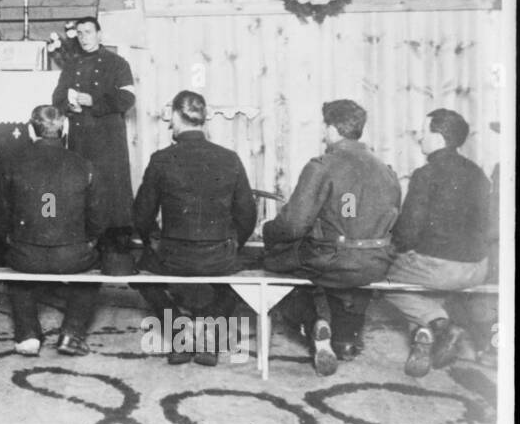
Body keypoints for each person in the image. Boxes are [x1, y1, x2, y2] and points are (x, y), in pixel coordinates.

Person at [263, 99, 400, 376]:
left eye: (325, 127)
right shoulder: (386, 170)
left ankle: (313, 322)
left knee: (273, 263)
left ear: (333, 129)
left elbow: (292, 226)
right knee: (348, 276)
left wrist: (268, 231)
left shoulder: (322, 166)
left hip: (332, 259)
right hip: (376, 262)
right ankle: (345, 339)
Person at [132, 91, 257, 367]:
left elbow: (141, 215)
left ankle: (178, 329)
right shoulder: (230, 158)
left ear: (176, 116)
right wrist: (233, 243)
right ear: (204, 119)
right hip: (219, 255)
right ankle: (210, 329)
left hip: (173, 255)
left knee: (137, 272)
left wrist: (153, 242)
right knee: (241, 271)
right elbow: (247, 214)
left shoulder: (160, 159)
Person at [385, 109, 491, 377]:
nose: (419, 137)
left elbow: (407, 232)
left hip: (440, 269)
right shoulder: (478, 173)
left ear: (439, 137)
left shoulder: (426, 174)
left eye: (425, 131)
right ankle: (425, 334)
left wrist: (391, 248)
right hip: (477, 268)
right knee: (422, 282)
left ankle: (438, 323)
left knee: (383, 278)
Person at [0, 104, 102, 357]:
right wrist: (88, 242)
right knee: (93, 269)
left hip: (26, 255)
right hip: (73, 256)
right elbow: (98, 217)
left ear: (31, 130)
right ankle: (71, 332)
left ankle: (27, 334)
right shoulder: (84, 164)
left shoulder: (12, 163)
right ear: (64, 130)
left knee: (17, 270)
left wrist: (12, 240)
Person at [51, 16, 136, 270]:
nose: (84, 37)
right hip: (79, 138)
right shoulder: (71, 65)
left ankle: (116, 248)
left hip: (108, 139)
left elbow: (127, 98)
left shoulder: (117, 63)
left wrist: (93, 102)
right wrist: (68, 104)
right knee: (83, 187)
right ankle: (87, 244)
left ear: (100, 34)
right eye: (80, 33)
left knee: (112, 190)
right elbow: (57, 97)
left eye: (89, 32)